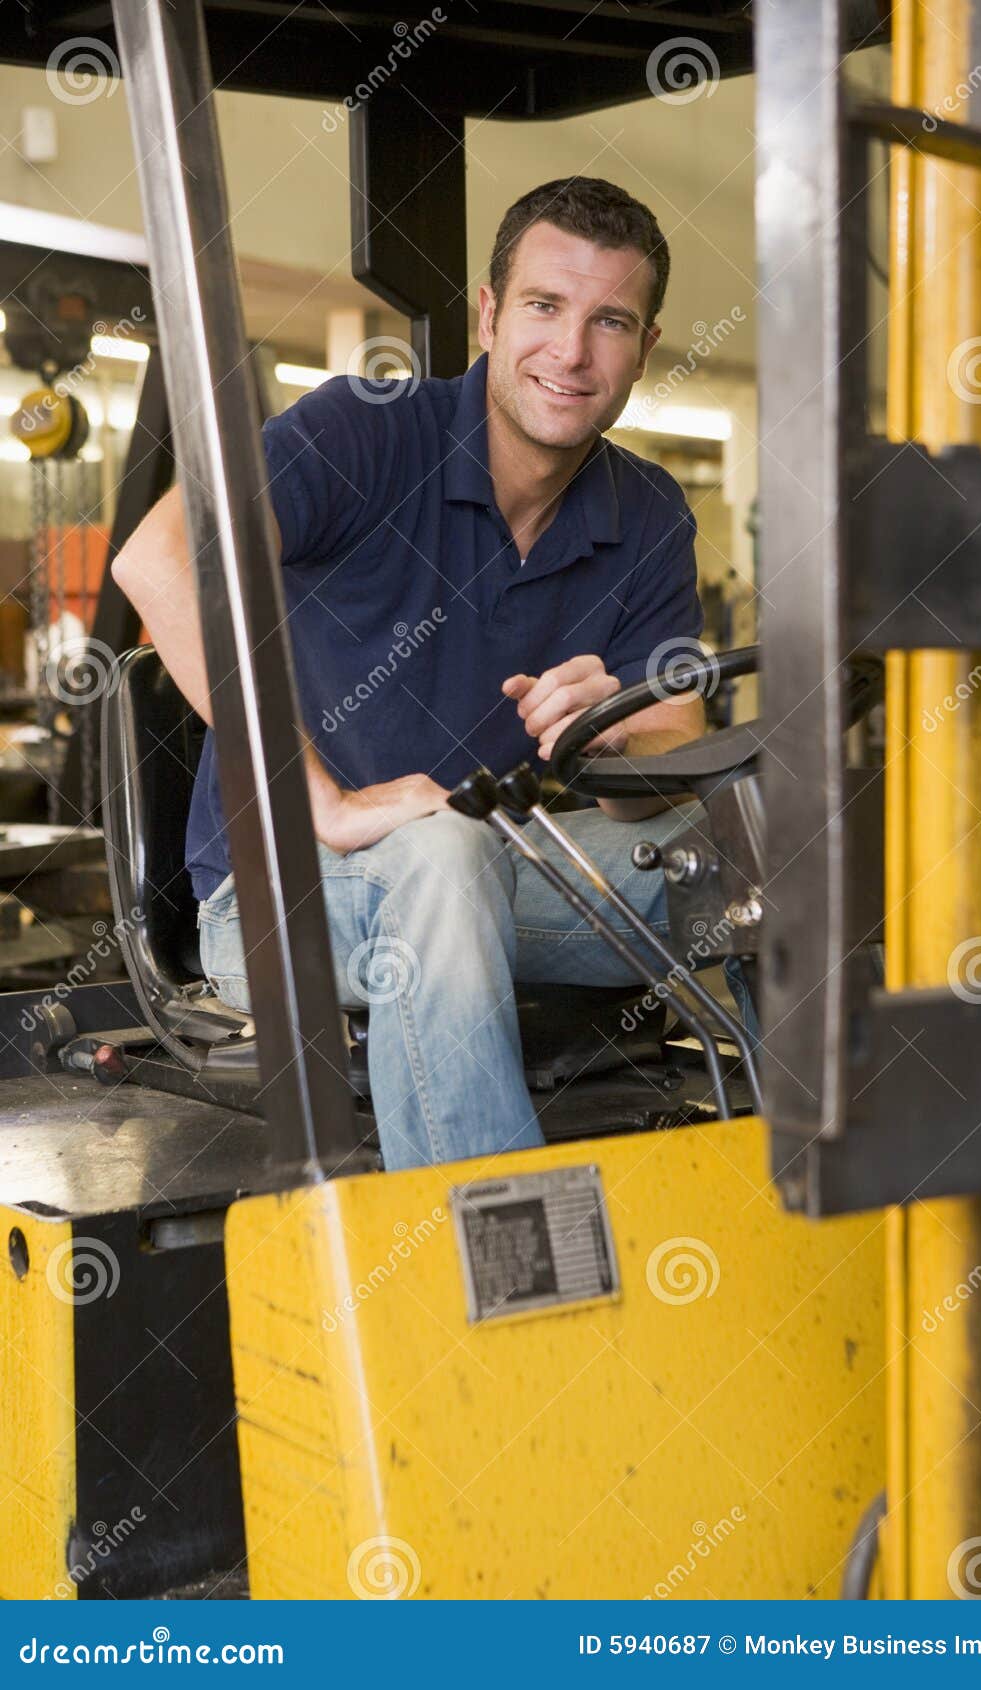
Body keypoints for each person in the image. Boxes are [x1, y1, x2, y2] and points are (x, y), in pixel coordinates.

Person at [113, 175, 740, 1173]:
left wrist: (626, 733)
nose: (571, 353)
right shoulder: (364, 432)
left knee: (768, 844)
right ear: (489, 314)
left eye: (608, 320)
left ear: (645, 346)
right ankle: (489, 1259)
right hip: (287, 898)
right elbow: (158, 560)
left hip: (519, 872)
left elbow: (669, 758)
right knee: (444, 852)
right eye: (543, 306)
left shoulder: (648, 512)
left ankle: (823, 1203)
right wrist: (323, 802)